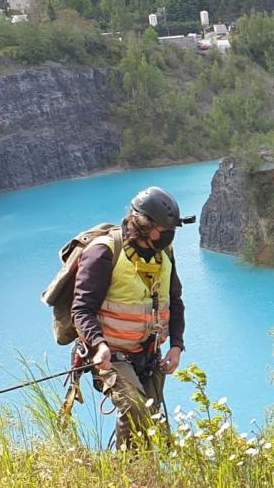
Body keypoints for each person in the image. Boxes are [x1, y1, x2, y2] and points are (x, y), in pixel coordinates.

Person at [71, 186, 189, 448]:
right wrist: (99, 346)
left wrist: (177, 346)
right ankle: (130, 478)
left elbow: (175, 301)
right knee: (136, 410)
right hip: (109, 355)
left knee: (151, 421)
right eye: (164, 230)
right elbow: (81, 310)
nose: (168, 236)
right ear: (144, 225)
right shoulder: (104, 253)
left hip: (147, 355)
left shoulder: (164, 254)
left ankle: (137, 479)